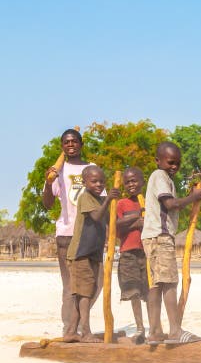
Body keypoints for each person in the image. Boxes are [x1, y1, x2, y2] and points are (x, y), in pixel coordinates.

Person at [141, 141, 201, 345]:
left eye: (177, 163)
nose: (174, 167)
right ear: (158, 161)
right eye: (170, 162)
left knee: (156, 285)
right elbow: (170, 204)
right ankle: (175, 331)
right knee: (169, 282)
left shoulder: (164, 178)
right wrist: (193, 196)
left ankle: (154, 332)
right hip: (160, 237)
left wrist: (192, 195)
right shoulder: (160, 176)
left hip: (153, 237)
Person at [42, 128, 100, 336]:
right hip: (67, 234)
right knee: (70, 286)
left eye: (74, 141)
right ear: (62, 147)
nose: (71, 145)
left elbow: (100, 200)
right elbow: (48, 204)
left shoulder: (92, 168)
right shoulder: (57, 171)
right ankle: (70, 329)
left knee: (95, 282)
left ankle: (79, 324)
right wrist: (49, 184)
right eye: (66, 142)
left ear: (81, 145)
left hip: (90, 233)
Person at [63, 166, 120, 342]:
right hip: (81, 254)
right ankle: (85, 332)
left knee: (86, 292)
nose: (99, 184)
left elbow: (111, 220)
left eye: (102, 181)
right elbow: (96, 217)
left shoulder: (100, 199)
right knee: (84, 294)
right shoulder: (85, 197)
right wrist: (108, 199)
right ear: (85, 182)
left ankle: (72, 331)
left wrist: (112, 200)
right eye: (94, 181)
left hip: (93, 254)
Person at [116, 167, 158, 344]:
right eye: (127, 182)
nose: (131, 184)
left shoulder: (149, 202)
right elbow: (116, 227)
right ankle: (140, 327)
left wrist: (145, 219)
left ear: (142, 181)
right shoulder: (121, 204)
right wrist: (136, 222)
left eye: (134, 181)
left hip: (146, 252)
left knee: (149, 293)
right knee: (133, 292)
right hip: (128, 252)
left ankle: (154, 329)